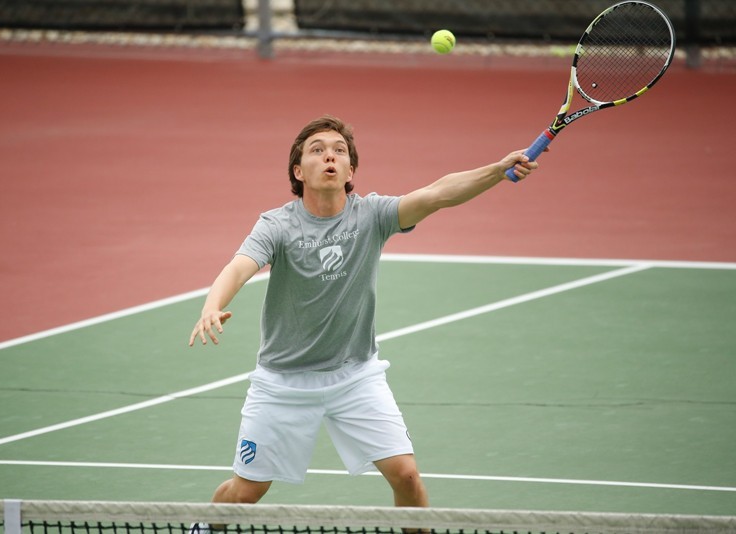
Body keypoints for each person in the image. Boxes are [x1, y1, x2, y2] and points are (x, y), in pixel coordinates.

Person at [188, 115, 540, 513]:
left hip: (354, 376)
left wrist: (495, 171)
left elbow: (437, 194)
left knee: (406, 475)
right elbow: (240, 266)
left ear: (350, 170)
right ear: (298, 171)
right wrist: (212, 304)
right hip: (283, 383)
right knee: (246, 492)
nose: (330, 157)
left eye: (339, 150)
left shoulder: (371, 215)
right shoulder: (277, 225)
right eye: (317, 150)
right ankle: (202, 525)